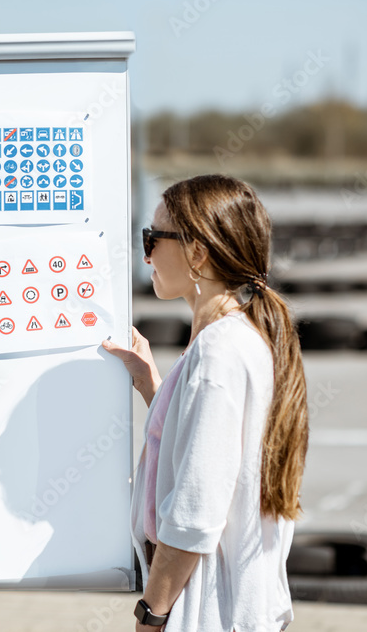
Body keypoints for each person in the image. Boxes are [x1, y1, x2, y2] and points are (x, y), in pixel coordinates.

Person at [103, 175, 308, 631]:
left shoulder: (220, 352)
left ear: (197, 252)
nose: (146, 254)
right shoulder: (232, 340)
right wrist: (154, 387)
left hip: (212, 610)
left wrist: (151, 614)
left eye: (153, 238)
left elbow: (196, 512)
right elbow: (206, 446)